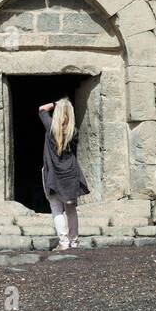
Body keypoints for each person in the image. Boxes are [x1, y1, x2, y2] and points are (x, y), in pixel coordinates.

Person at [38, 97, 89, 251]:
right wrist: (66, 106)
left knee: (56, 208)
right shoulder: (74, 132)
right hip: (70, 172)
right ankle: (74, 241)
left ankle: (63, 242)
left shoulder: (50, 127)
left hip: (53, 172)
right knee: (71, 208)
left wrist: (56, 104)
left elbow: (41, 108)